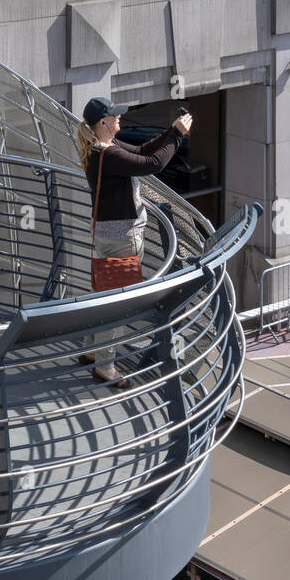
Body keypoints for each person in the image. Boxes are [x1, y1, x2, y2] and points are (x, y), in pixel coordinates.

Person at [76, 97, 192, 388]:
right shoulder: (109, 155)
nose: (120, 120)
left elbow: (142, 151)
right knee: (118, 306)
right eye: (115, 116)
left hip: (107, 235)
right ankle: (105, 367)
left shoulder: (101, 149)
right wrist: (177, 135)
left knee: (102, 295)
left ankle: (91, 349)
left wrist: (170, 132)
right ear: (103, 123)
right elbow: (153, 163)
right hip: (122, 240)